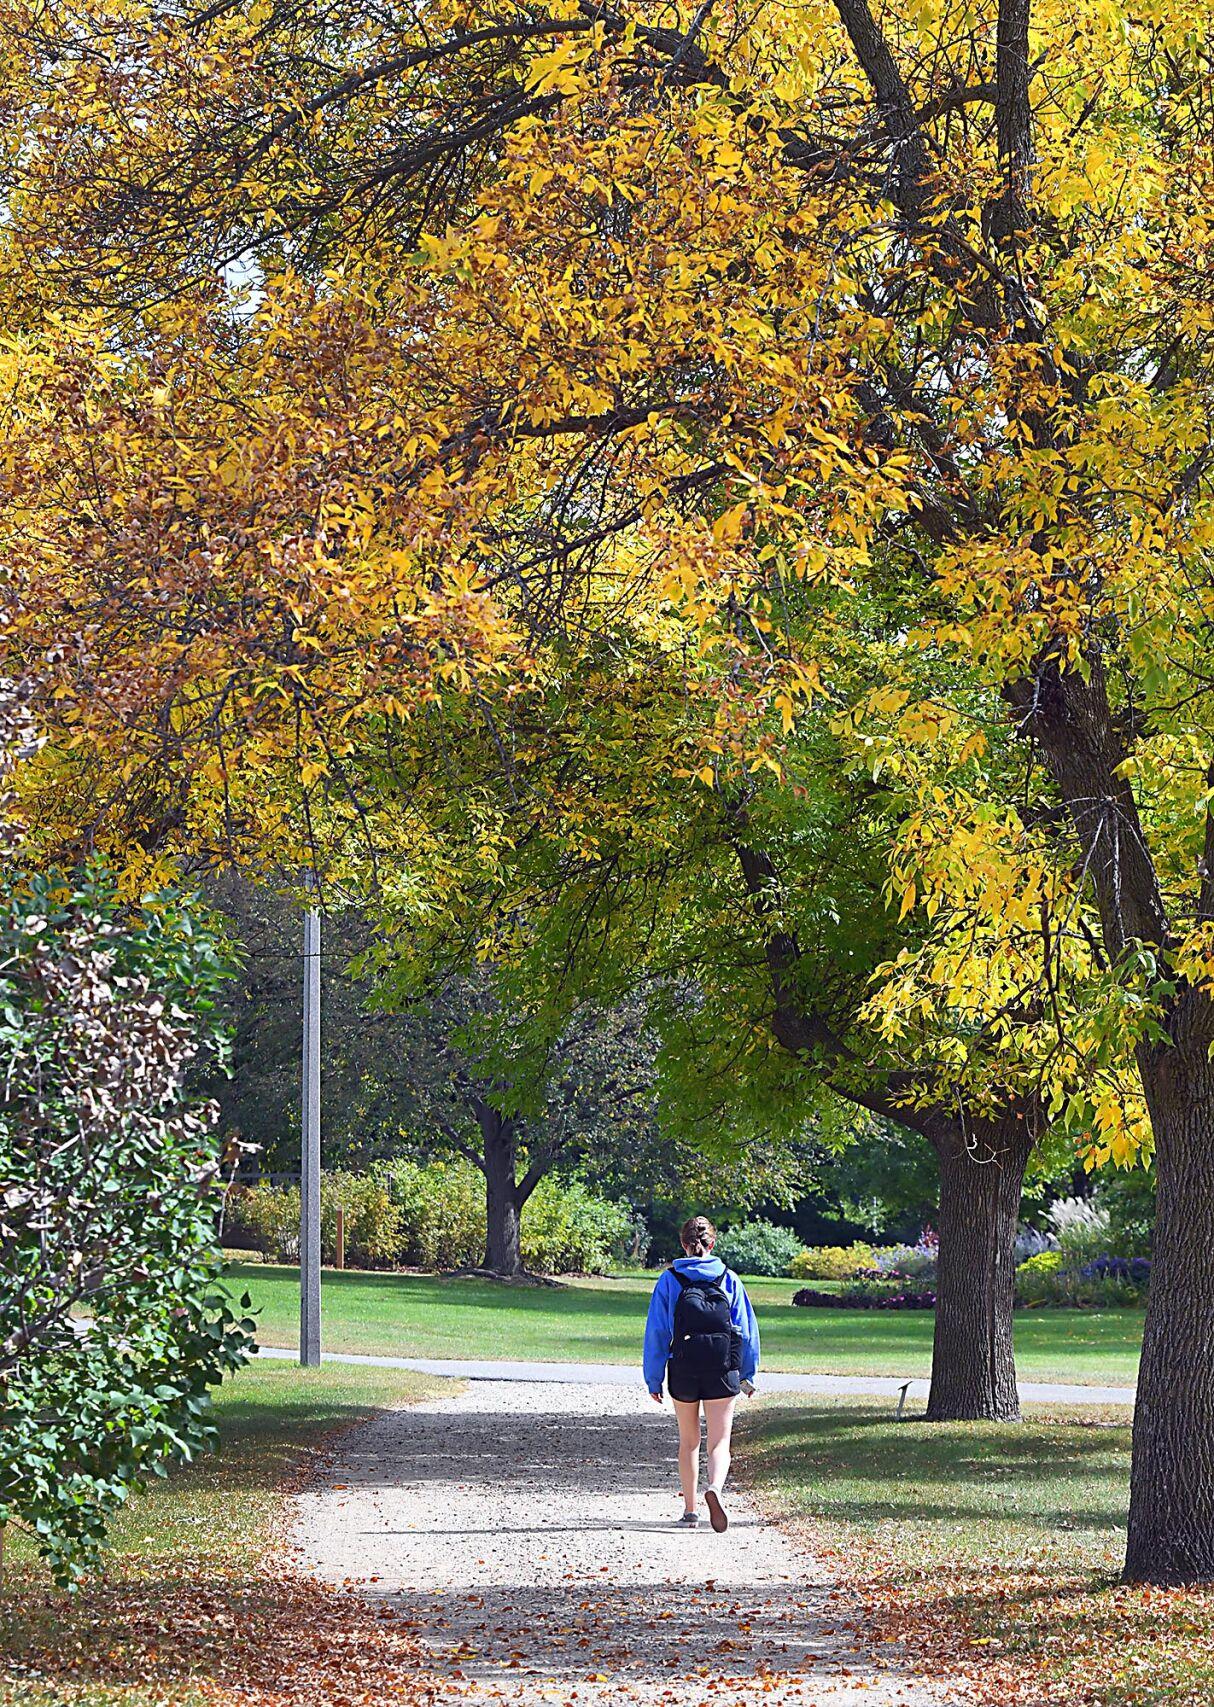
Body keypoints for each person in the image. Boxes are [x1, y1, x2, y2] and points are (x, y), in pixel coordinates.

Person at [642, 1214, 760, 1532]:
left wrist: (653, 1378)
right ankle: (716, 1489)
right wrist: (748, 1375)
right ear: (713, 1242)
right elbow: (746, 1332)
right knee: (720, 1442)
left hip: (682, 1368)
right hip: (722, 1369)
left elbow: (656, 1332)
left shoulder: (669, 1280)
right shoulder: (728, 1278)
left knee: (689, 1441)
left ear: (683, 1244)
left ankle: (691, 1510)